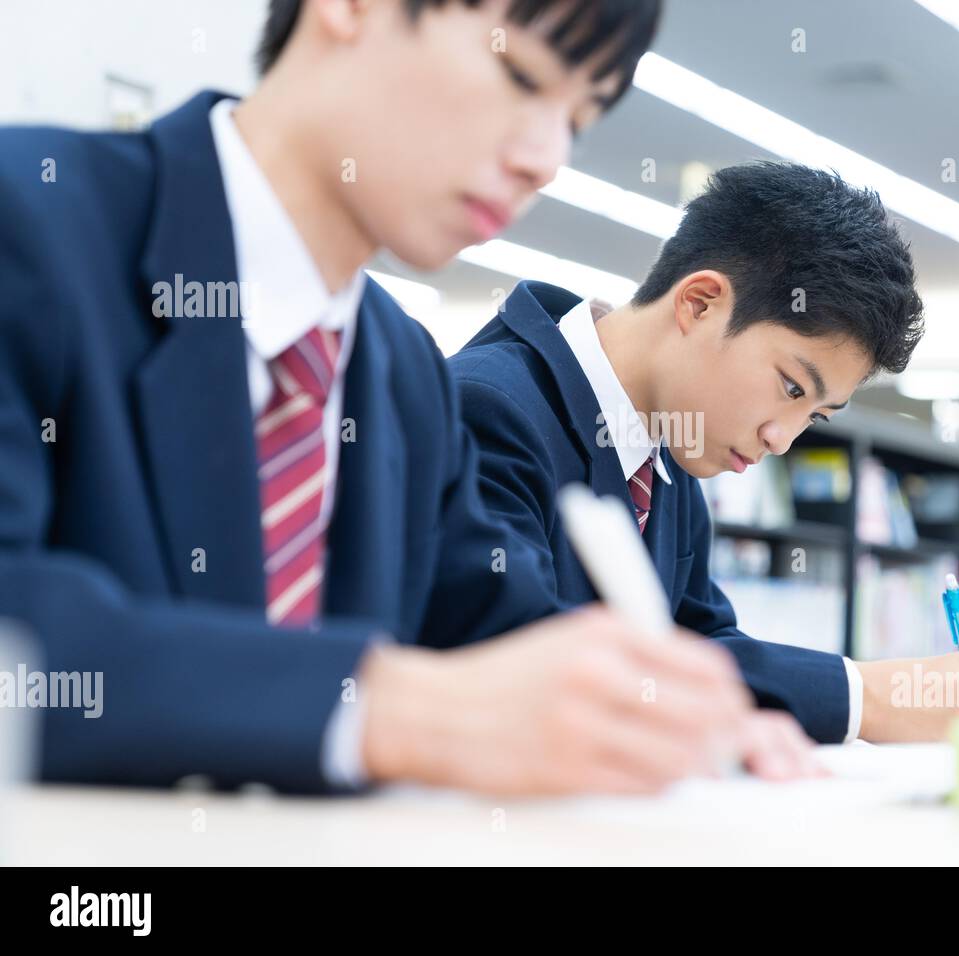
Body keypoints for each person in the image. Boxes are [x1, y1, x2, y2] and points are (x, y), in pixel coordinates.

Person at [0, 0, 814, 796]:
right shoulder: (30, 225)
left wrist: (654, 710)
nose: (545, 156)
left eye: (578, 118)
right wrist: (393, 708)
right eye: (520, 74)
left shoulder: (401, 374)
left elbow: (494, 619)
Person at [450, 162, 959, 745]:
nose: (782, 439)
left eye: (813, 416)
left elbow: (700, 646)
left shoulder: (665, 456)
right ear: (700, 303)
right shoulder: (490, 408)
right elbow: (518, 657)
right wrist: (866, 696)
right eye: (790, 388)